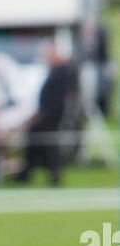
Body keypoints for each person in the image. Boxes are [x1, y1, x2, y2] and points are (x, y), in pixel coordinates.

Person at [14, 44, 78, 186]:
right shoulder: (58, 71)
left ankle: (41, 176)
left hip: (50, 116)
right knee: (40, 145)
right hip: (47, 114)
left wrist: (42, 114)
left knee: (49, 146)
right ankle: (29, 174)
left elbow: (55, 99)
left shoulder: (62, 72)